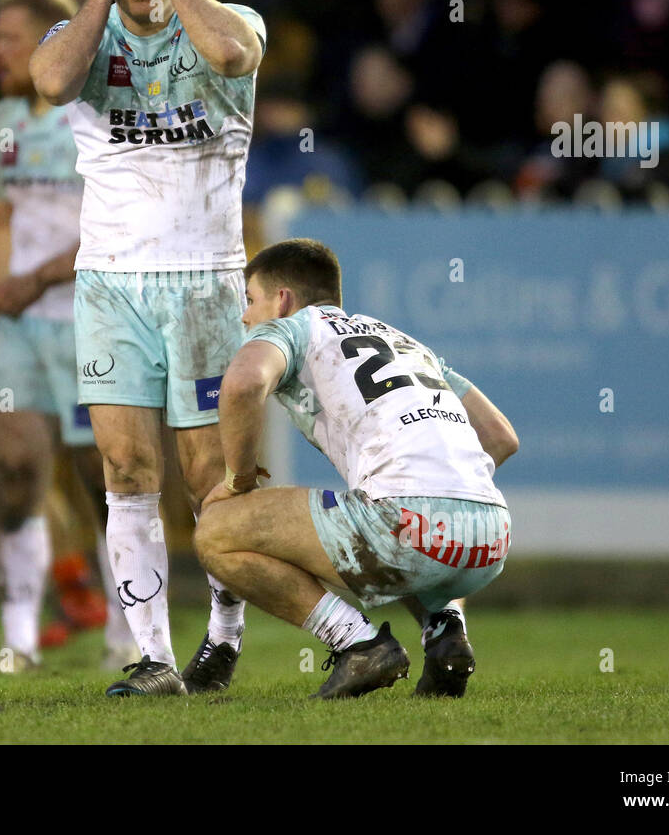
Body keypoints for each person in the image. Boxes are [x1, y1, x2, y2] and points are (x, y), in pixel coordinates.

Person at [30, 0, 266, 696]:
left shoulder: (232, 21)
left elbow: (234, 57)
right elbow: (52, 83)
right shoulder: (81, 39)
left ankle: (225, 636)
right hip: (110, 286)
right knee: (127, 467)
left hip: (203, 282)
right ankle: (154, 658)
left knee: (210, 475)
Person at [194, 238, 518, 699]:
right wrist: (449, 487)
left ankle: (359, 644)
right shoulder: (402, 340)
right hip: (492, 538)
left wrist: (238, 480)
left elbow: (243, 384)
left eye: (250, 300)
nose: (245, 316)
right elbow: (501, 436)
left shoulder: (293, 328)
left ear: (282, 299)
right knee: (392, 517)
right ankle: (447, 633)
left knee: (215, 531)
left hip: (406, 526)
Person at [0, 0, 134, 671]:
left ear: (46, 43)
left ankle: (129, 631)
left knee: (107, 483)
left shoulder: (94, 116)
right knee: (15, 469)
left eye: (7, 38)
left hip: (91, 321)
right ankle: (19, 639)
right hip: (20, 331)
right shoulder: (0, 122)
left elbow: (110, 225)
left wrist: (36, 279)